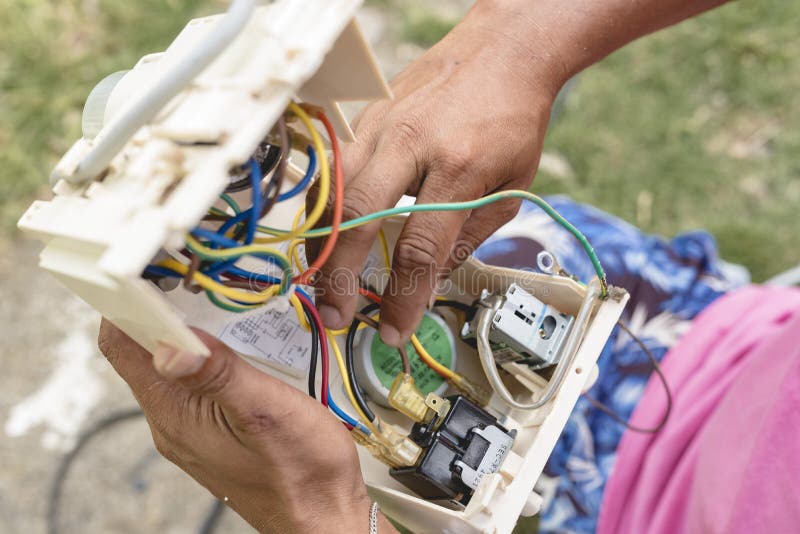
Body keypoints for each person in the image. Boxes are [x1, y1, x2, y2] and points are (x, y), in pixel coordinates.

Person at [97, 0, 762, 532]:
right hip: (722, 342)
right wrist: (520, 40)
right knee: (463, 232)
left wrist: (322, 519)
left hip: (621, 510)